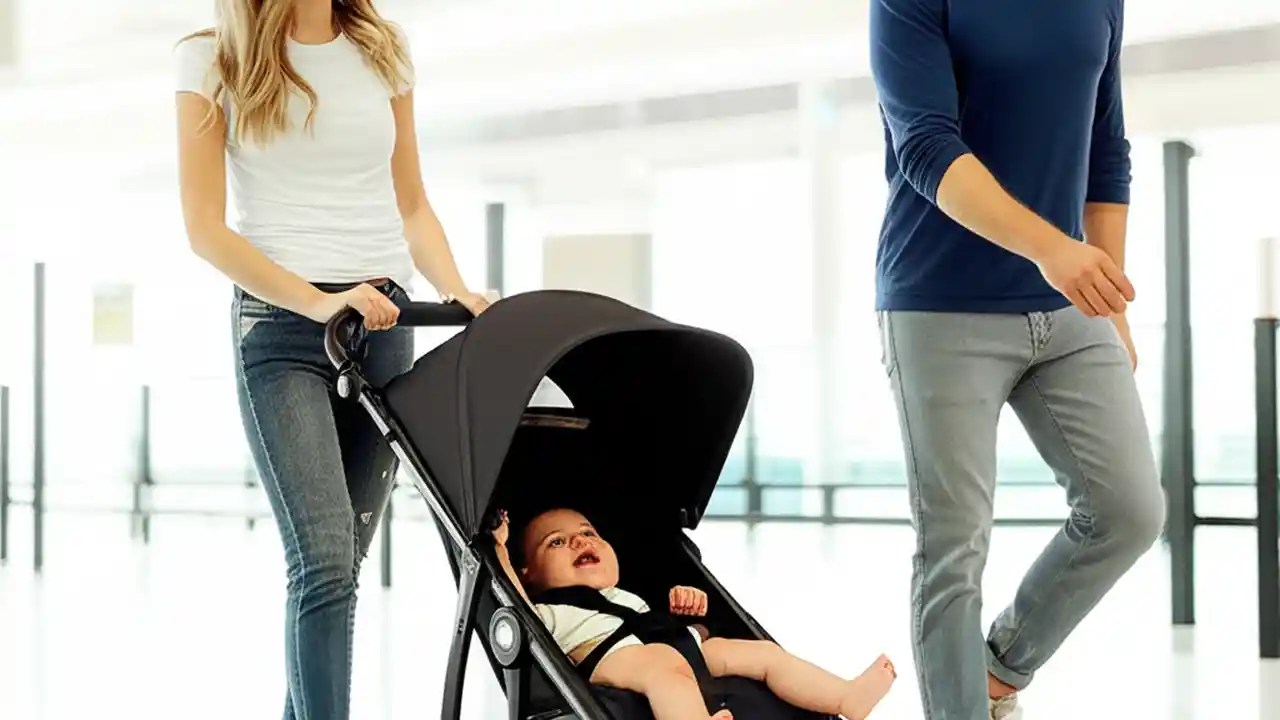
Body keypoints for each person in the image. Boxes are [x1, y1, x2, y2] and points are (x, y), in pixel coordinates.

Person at [173, 1, 489, 718]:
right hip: (283, 329)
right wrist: (319, 302)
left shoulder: (384, 48)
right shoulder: (211, 56)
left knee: (338, 570)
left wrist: (454, 288)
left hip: (383, 324)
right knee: (321, 563)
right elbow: (204, 229)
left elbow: (411, 204)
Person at [868, 1, 1164, 718]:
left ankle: (997, 669)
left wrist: (1109, 297)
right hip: (939, 304)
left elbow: (1106, 147)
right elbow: (926, 146)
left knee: (1129, 510)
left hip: (1068, 304)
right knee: (953, 547)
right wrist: (1053, 250)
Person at [491, 508, 898, 720]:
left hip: (675, 644)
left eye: (589, 533)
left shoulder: (625, 596)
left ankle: (844, 697)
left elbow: (662, 622)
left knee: (765, 655)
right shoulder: (549, 611)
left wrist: (686, 604)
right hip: (620, 662)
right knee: (667, 675)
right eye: (557, 542)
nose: (580, 541)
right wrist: (500, 554)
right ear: (530, 576)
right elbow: (516, 605)